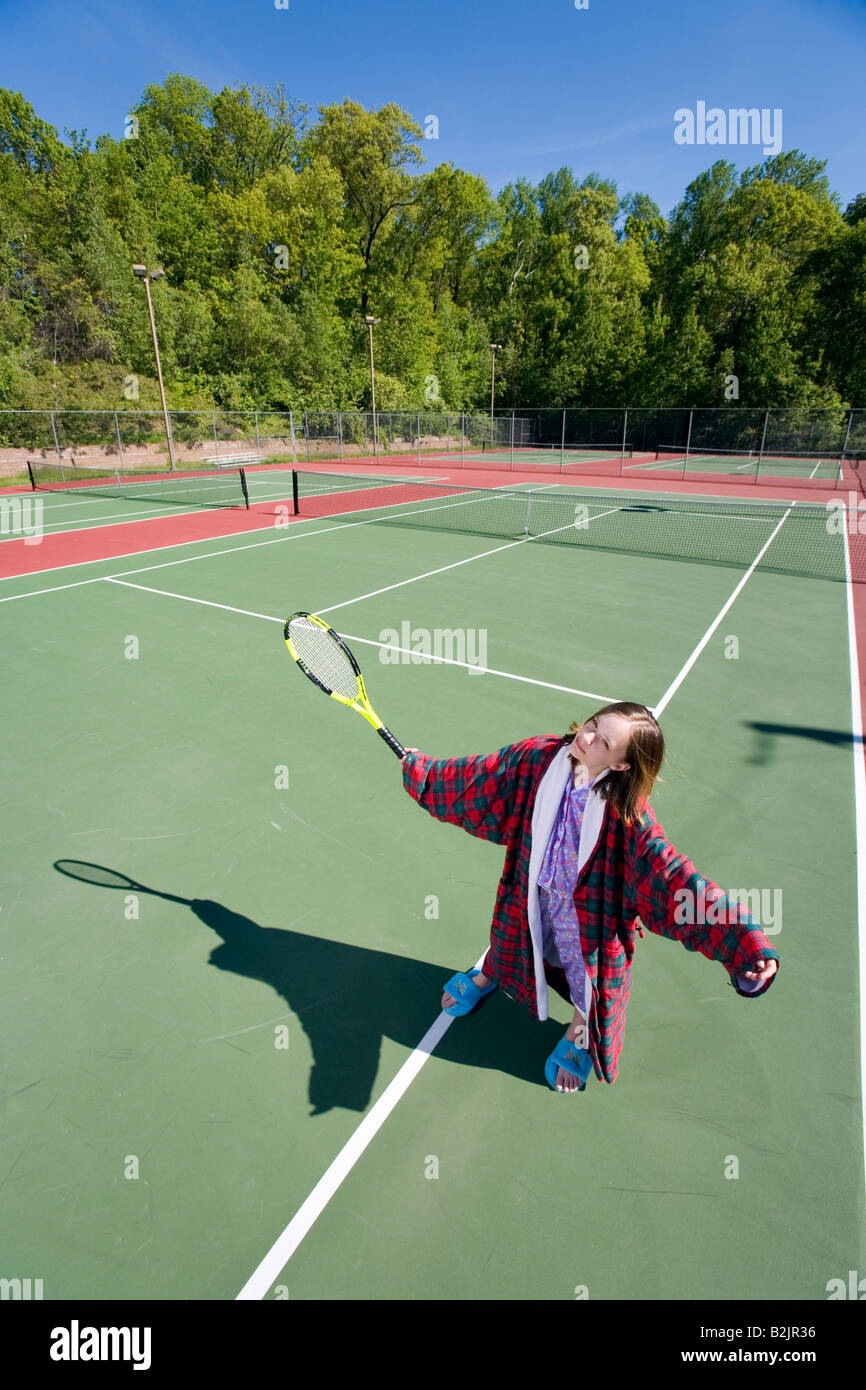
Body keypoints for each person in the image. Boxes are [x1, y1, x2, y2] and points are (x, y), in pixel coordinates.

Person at [401, 702, 779, 1094]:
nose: (586, 737)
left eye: (603, 741)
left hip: (587, 919)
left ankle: (579, 1030)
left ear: (620, 765)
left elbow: (676, 880)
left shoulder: (629, 821)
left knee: (588, 982)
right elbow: (478, 779)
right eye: (593, 724)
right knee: (512, 938)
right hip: (532, 891)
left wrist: (744, 942)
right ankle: (490, 974)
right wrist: (424, 772)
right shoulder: (538, 759)